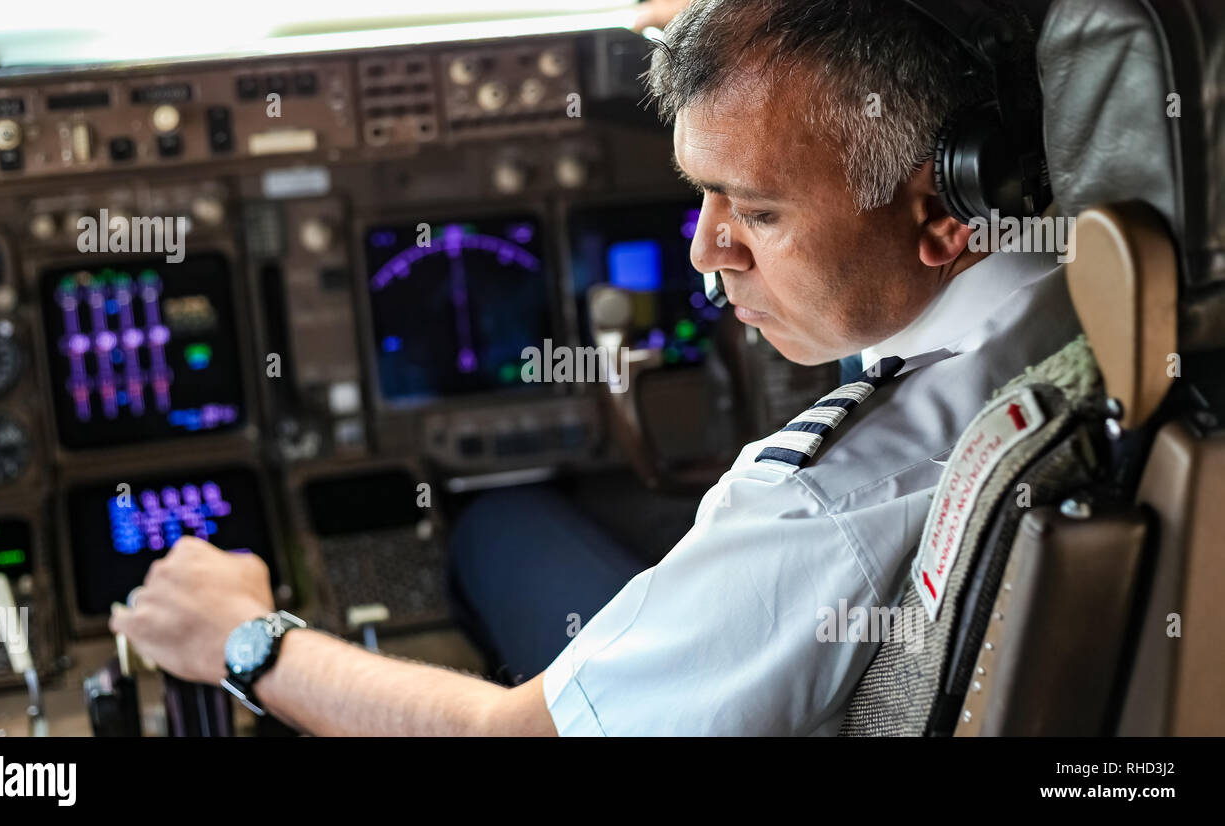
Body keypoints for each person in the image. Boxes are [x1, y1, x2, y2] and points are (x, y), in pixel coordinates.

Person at [110, 0, 1080, 735]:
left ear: (941, 215)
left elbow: (511, 735)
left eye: (757, 211)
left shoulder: (822, 506)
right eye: (701, 194)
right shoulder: (1082, 287)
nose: (705, 251)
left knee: (497, 524)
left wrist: (244, 639)